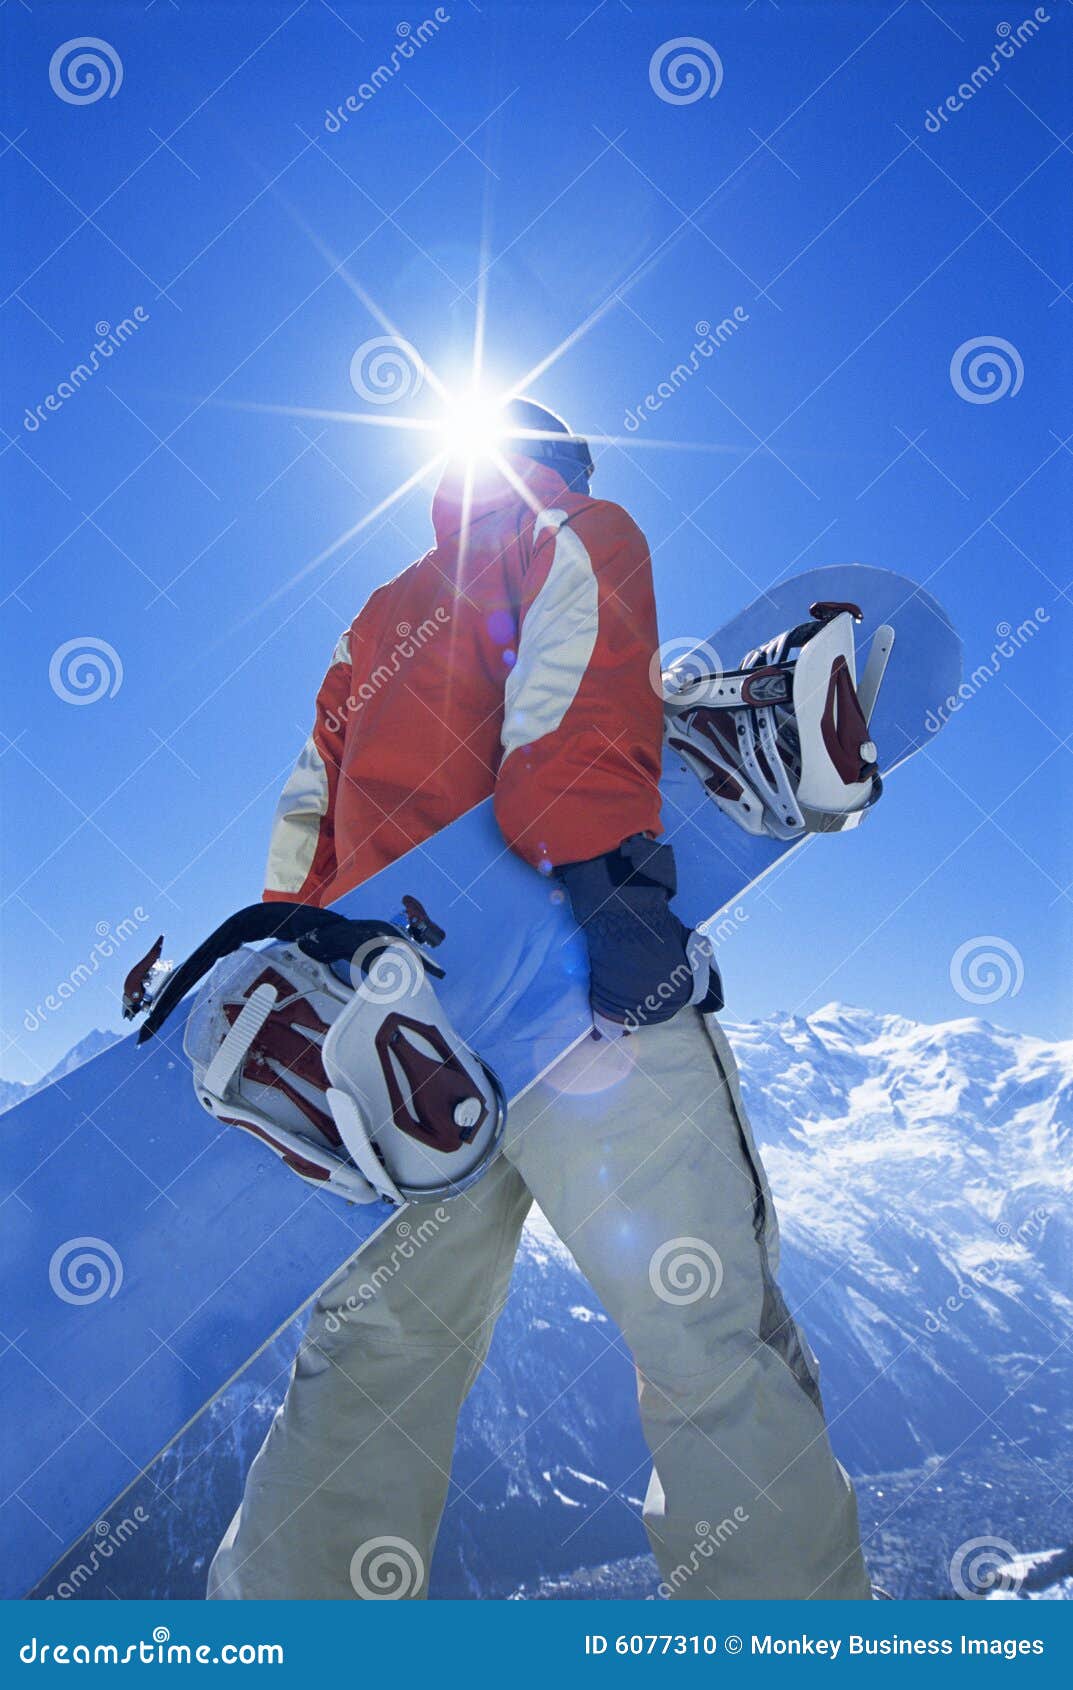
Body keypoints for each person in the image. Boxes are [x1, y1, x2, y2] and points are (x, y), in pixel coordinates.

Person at [208, 399, 870, 1601]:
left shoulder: (375, 621)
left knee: (368, 1367)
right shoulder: (579, 529)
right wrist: (619, 907)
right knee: (708, 1350)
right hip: (584, 1010)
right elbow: (566, 717)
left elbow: (307, 821)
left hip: (405, 1054)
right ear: (556, 465)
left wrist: (314, 977)